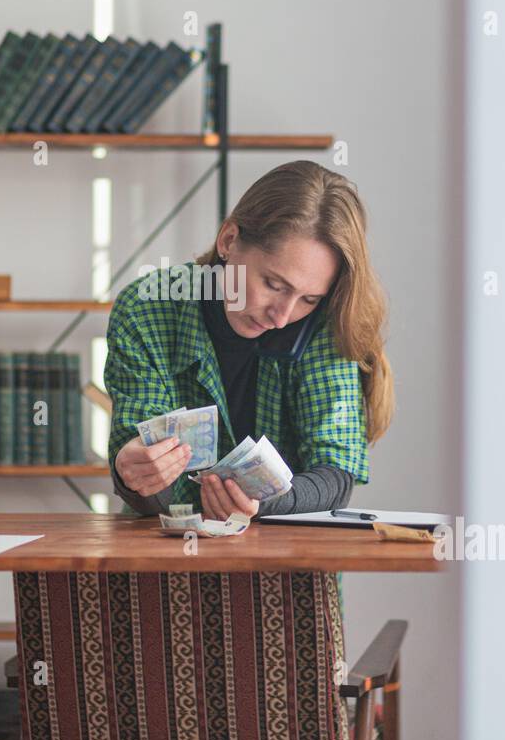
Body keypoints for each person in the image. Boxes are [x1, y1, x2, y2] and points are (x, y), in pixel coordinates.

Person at [105, 159, 394, 518]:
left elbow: (335, 476)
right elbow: (145, 488)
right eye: (273, 284)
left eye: (309, 298)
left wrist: (262, 503)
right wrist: (136, 476)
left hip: (290, 559)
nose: (283, 315)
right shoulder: (147, 308)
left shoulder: (324, 324)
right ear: (228, 240)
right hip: (161, 552)